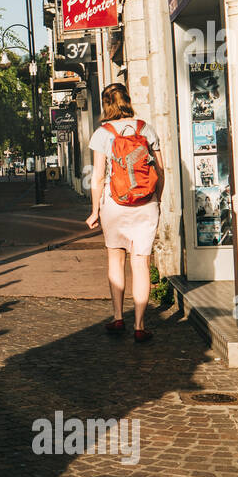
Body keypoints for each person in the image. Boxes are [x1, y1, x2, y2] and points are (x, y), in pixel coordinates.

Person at [85, 82, 165, 342]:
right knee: (141, 263)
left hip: (114, 204)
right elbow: (161, 171)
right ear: (128, 100)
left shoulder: (102, 134)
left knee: (116, 259)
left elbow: (97, 177)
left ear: (105, 105)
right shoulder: (146, 128)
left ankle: (118, 317)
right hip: (146, 203)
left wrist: (94, 210)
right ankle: (140, 325)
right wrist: (158, 200)